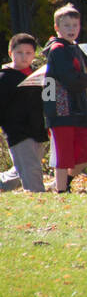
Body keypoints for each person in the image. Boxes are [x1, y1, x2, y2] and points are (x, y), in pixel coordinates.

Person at [42, 4, 87, 193]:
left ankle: (63, 182)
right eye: (66, 25)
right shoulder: (58, 50)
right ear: (57, 28)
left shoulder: (75, 48)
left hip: (79, 109)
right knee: (63, 155)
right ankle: (60, 191)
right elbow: (71, 80)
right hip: (61, 110)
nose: (72, 29)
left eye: (75, 25)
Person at [0, 33, 48, 191]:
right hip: (18, 132)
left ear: (34, 54)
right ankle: (38, 202)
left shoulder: (39, 75)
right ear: (10, 53)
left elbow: (50, 98)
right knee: (31, 169)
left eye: (28, 53)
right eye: (19, 53)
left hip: (38, 130)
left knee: (21, 170)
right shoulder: (5, 78)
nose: (24, 57)